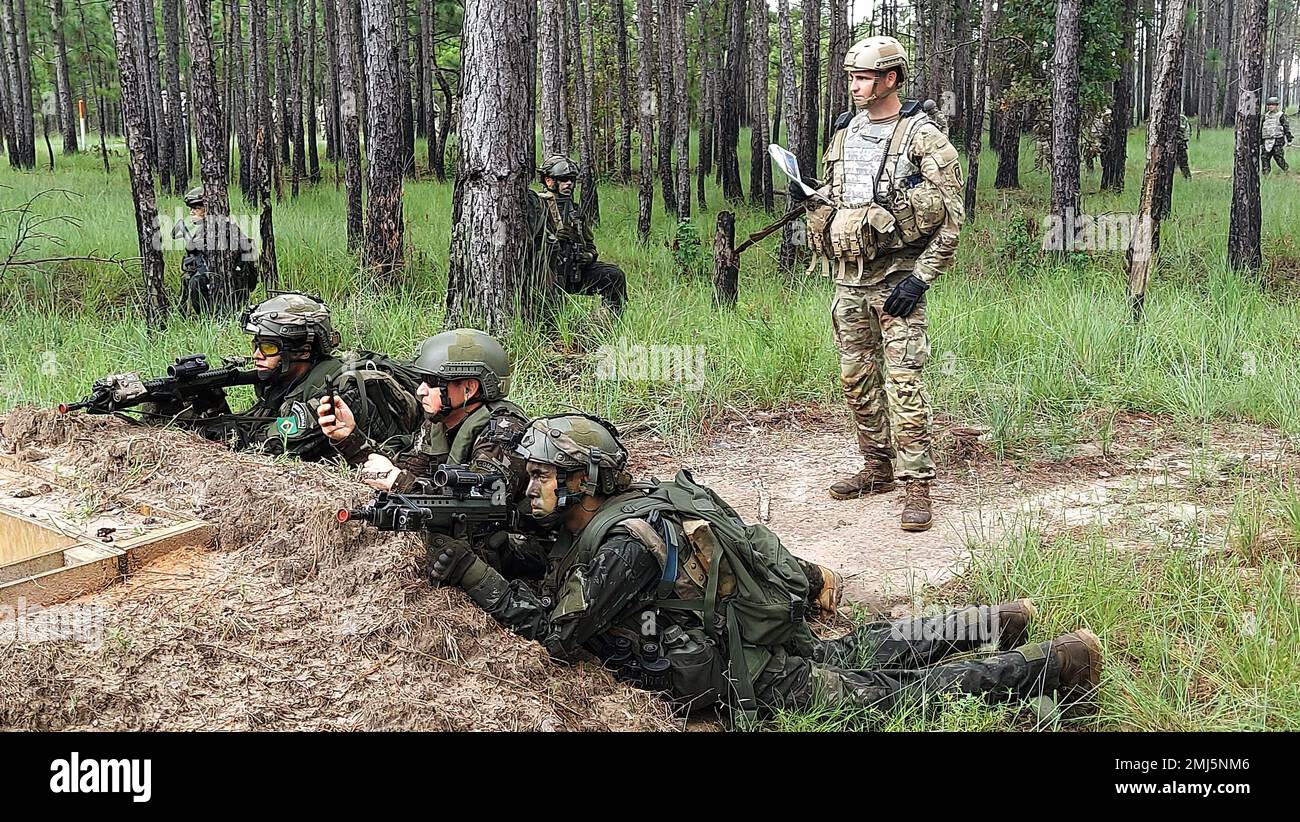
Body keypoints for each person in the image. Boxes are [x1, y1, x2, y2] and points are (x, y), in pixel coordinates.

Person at [427, 413, 1104, 723]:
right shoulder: (627, 509)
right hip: (749, 637)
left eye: (545, 474)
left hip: (744, 667)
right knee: (866, 651)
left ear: (584, 482)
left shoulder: (622, 547)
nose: (532, 485)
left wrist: (467, 571)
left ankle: (1051, 663)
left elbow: (555, 634)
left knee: (883, 698)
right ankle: (997, 621)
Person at [793, 35, 965, 531]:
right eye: (851, 77)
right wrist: (812, 197)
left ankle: (917, 487)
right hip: (849, 282)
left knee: (905, 384)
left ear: (891, 78)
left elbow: (952, 218)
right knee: (856, 380)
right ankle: (877, 468)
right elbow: (840, 192)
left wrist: (921, 279)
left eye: (864, 77)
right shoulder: (845, 132)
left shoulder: (923, 137)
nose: (854, 86)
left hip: (896, 281)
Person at [320, 329, 543, 577]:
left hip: (521, 546)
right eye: (422, 381)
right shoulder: (439, 423)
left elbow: (480, 504)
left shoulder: (504, 433)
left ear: (469, 388)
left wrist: (399, 482)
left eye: (432, 383)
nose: (420, 391)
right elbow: (409, 472)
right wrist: (350, 438)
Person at [174, 292, 418, 461]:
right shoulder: (291, 381)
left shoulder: (335, 391)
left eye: (269, 347)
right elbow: (260, 420)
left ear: (302, 350)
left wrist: (203, 424)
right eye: (255, 345)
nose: (257, 354)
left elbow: (271, 444)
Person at [532, 155, 627, 316]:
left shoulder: (575, 212)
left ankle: (602, 325)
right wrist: (552, 240)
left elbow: (590, 245)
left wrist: (588, 256)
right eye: (564, 179)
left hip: (573, 273)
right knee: (553, 313)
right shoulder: (537, 207)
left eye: (572, 179)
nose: (569, 183)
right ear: (549, 181)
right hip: (544, 275)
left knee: (614, 276)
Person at [172, 186, 259, 313]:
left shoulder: (229, 230)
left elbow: (244, 263)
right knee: (190, 278)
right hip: (211, 284)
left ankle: (211, 317)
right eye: (191, 208)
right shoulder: (201, 231)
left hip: (232, 287)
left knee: (197, 281)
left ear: (208, 209)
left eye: (196, 208)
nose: (191, 212)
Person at [1260, 96, 1292, 175]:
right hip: (1266, 141)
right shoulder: (1265, 116)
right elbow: (1261, 129)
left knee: (1278, 157)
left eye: (1272, 105)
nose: (1270, 106)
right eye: (1269, 105)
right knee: (1264, 158)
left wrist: (1289, 139)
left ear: (1276, 105)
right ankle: (1266, 175)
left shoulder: (1280, 115)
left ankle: (1287, 170)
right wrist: (1260, 141)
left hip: (1277, 141)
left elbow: (1286, 128)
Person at [1176, 113, 1192, 180]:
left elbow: (1186, 133)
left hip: (1180, 145)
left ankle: (1187, 179)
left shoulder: (1182, 118)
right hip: (1168, 145)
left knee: (1183, 164)